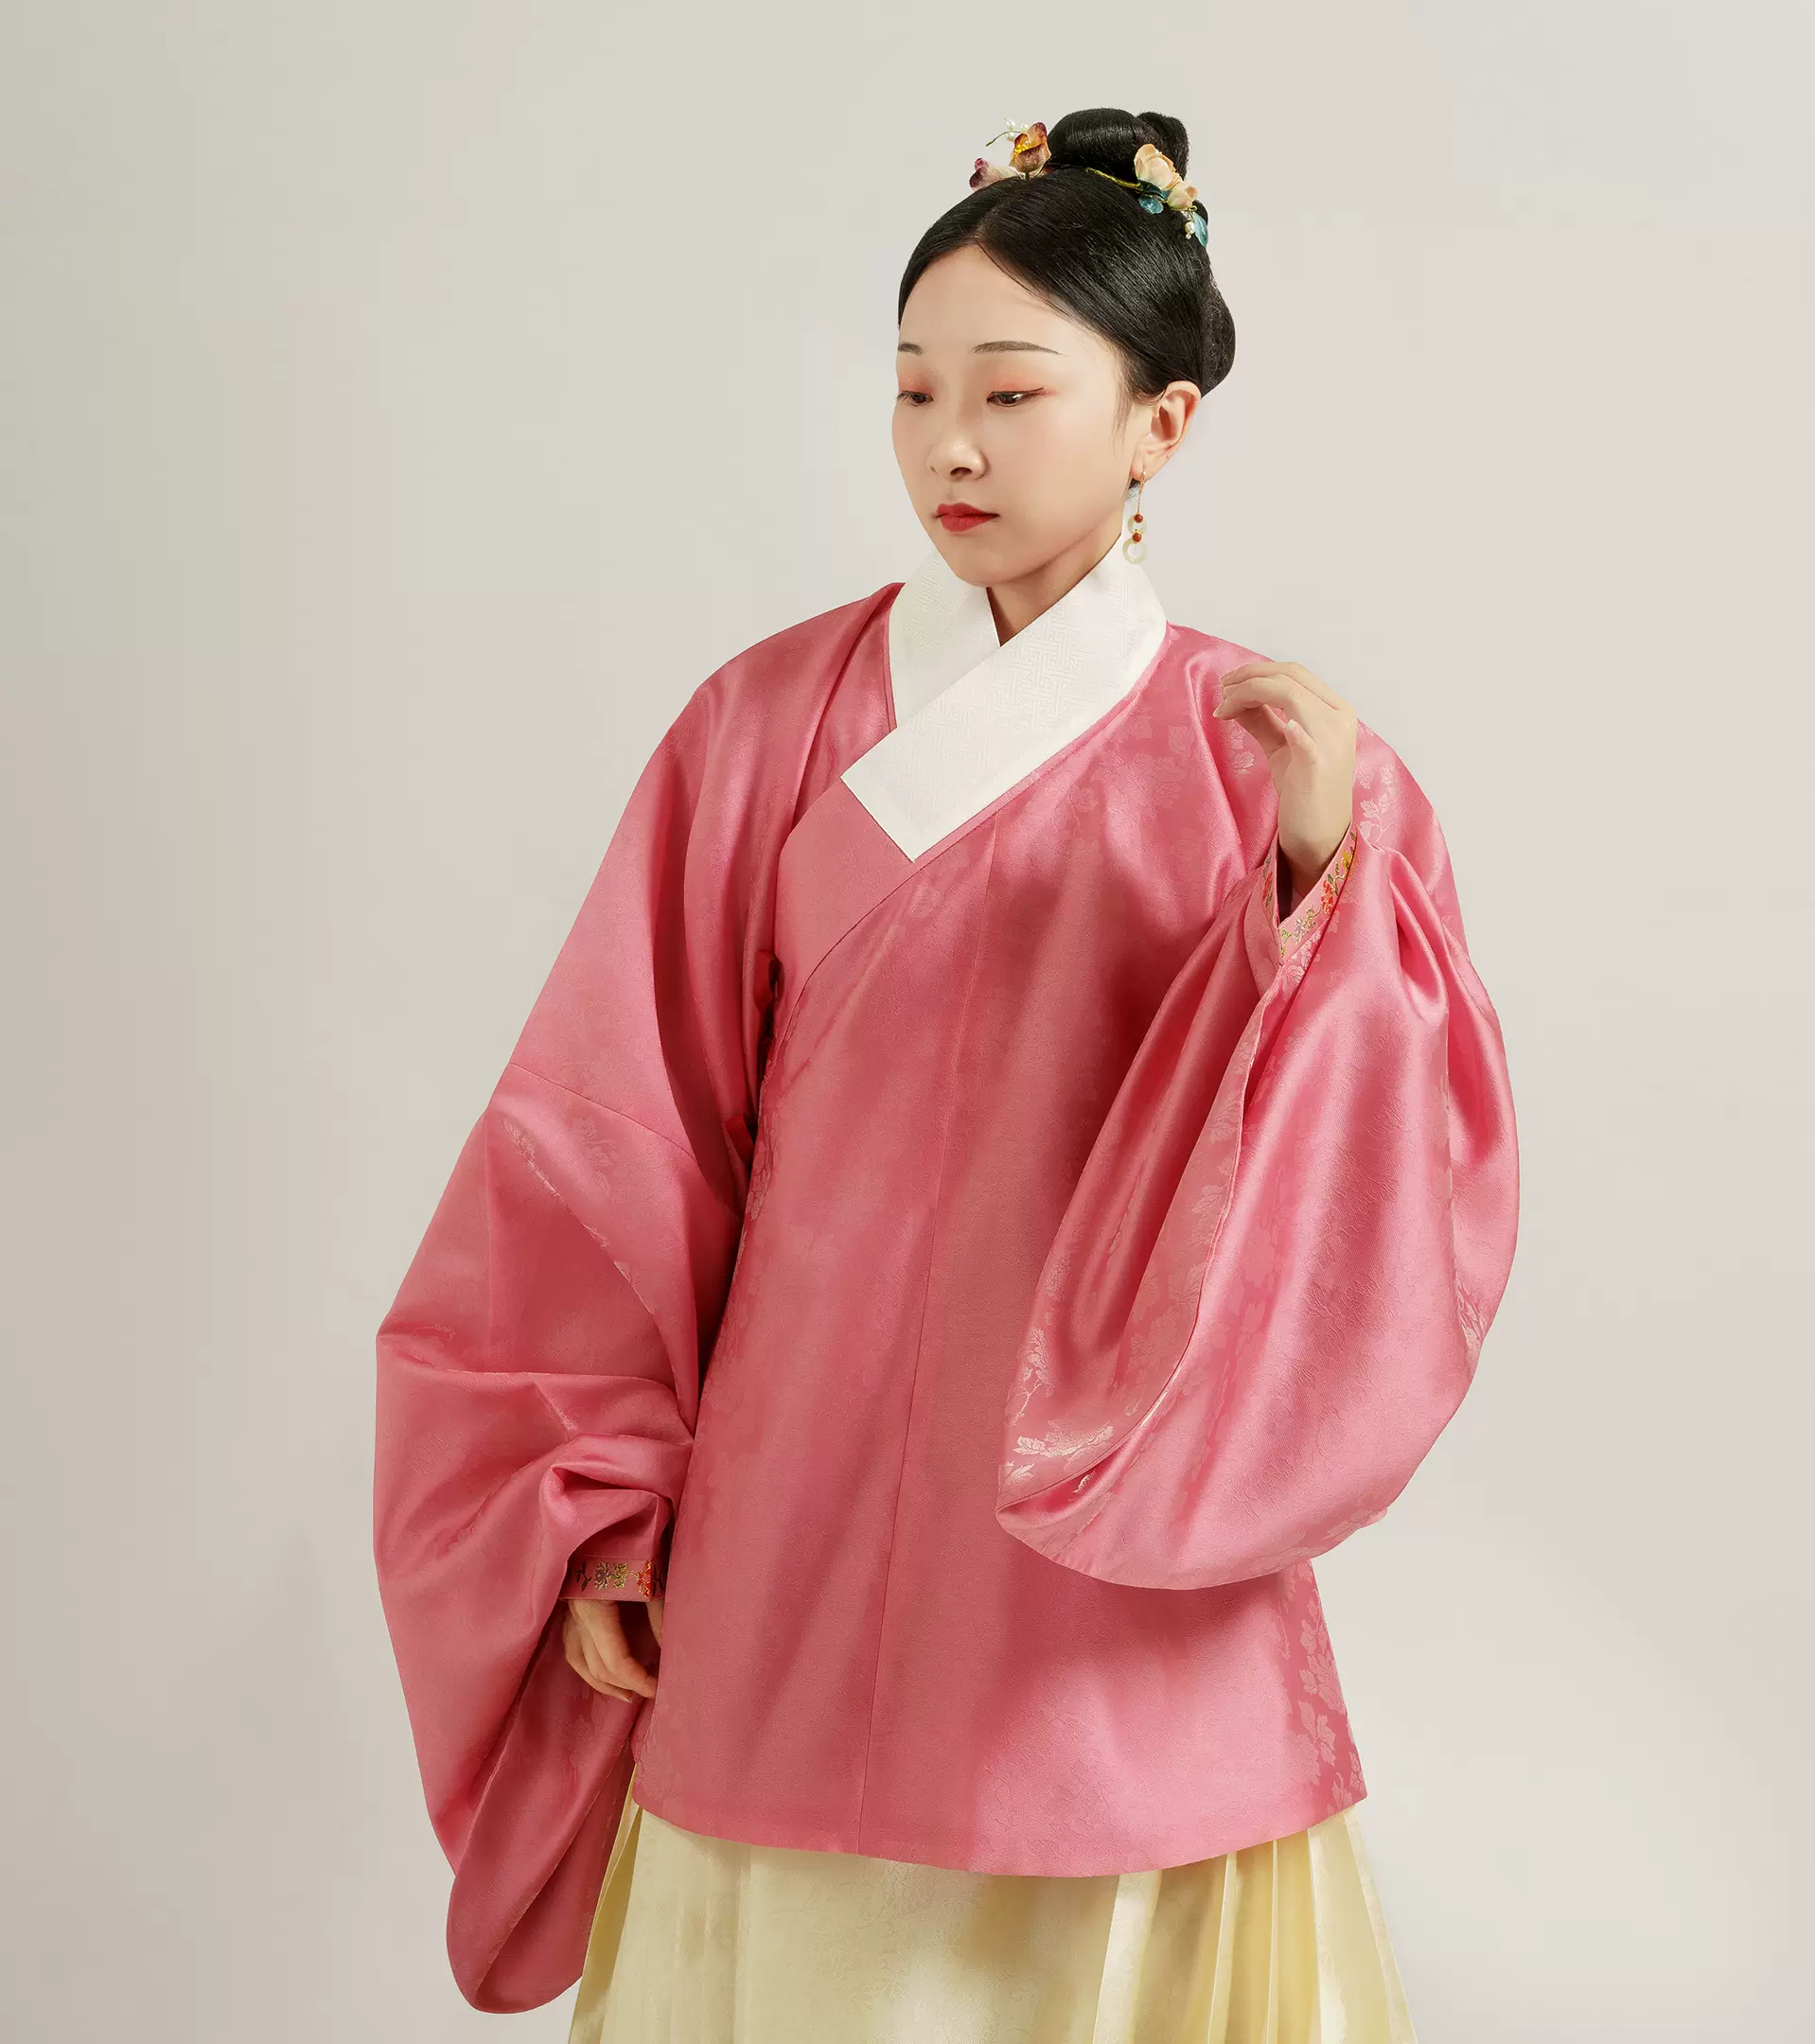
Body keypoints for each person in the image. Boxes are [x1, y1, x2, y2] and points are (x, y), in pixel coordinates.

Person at [374, 106, 1520, 2041]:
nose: (951, 448)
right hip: (790, 1514)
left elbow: (1374, 1201)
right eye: (914, 391)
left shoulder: (1269, 755)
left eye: (1011, 391)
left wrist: (1319, 881)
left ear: (1161, 423)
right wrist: (604, 1498)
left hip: (1110, 1568)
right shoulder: (764, 722)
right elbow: (613, 1130)